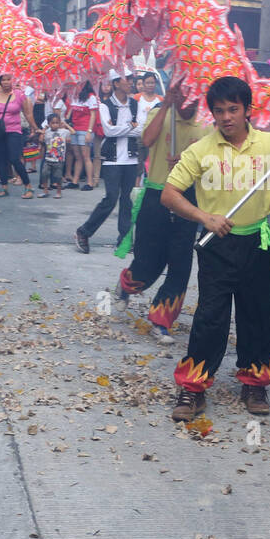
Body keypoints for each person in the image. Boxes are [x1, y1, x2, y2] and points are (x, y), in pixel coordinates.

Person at [162, 76, 270, 420]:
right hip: (216, 246)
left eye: (233, 109)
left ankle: (255, 383)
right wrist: (204, 217)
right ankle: (192, 389)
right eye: (219, 111)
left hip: (257, 243)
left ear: (247, 110)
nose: (226, 117)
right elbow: (170, 194)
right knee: (210, 318)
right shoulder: (201, 150)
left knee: (258, 315)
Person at [110, 80, 209, 344]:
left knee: (180, 265)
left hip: (188, 199)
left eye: (193, 98)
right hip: (156, 194)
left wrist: (192, 164)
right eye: (182, 97)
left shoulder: (208, 124)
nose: (188, 103)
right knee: (148, 263)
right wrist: (166, 105)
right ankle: (126, 284)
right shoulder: (160, 112)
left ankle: (161, 321)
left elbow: (214, 164)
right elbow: (147, 139)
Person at [75, 70, 141, 252]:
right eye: (127, 79)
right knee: (111, 198)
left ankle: (125, 240)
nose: (131, 82)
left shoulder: (135, 104)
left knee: (128, 200)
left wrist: (122, 128)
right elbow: (109, 131)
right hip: (112, 159)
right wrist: (130, 126)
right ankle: (84, 231)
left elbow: (141, 129)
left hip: (130, 159)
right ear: (116, 83)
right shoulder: (104, 106)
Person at [0, 74, 39, 198]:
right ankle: (4, 187)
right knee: (1, 159)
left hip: (14, 130)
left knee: (14, 159)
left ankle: (28, 187)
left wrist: (35, 128)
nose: (6, 82)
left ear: (13, 81)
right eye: (3, 80)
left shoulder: (19, 95)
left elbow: (28, 114)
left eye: (8, 79)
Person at [67, 80, 96, 189]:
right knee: (77, 156)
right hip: (75, 129)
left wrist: (89, 131)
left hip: (85, 129)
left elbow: (93, 115)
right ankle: (75, 181)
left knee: (86, 157)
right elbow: (71, 112)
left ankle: (90, 182)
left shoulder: (91, 97)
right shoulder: (74, 96)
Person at [38, 111, 70, 198]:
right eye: (52, 123)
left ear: (59, 123)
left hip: (59, 159)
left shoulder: (63, 131)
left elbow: (73, 132)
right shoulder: (47, 132)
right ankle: (45, 190)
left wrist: (66, 125)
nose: (55, 125)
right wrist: (44, 129)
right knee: (44, 174)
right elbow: (41, 140)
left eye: (57, 123)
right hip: (48, 158)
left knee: (58, 176)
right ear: (48, 124)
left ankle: (59, 191)